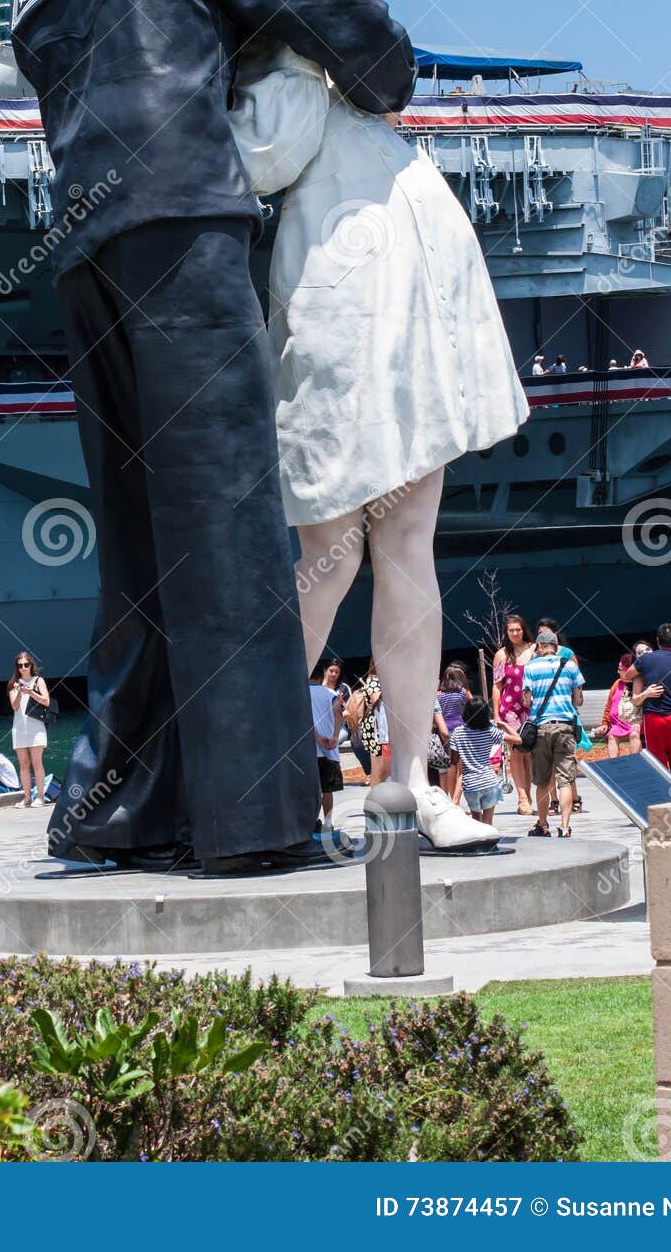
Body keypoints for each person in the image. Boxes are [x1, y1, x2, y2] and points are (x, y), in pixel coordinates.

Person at [12, 0, 416, 875]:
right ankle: (259, 824)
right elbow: (339, 17)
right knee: (229, 523)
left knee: (140, 541)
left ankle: (121, 808)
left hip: (81, 243)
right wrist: (378, 71)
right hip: (183, 221)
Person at [228, 46, 527, 853]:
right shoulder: (310, 76)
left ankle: (402, 777)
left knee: (376, 553)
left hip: (398, 315)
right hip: (369, 312)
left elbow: (261, 156)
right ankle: (262, 759)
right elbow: (256, 161)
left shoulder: (326, 86)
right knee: (347, 553)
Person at [523, 628, 585, 839]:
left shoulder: (531, 667)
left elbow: (527, 701)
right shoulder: (570, 665)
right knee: (565, 780)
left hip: (541, 727)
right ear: (556, 647)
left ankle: (543, 825)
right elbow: (578, 700)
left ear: (539, 646)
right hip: (565, 726)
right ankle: (565, 827)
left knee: (542, 781)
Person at [622, 620, 671, 786]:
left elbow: (627, 675)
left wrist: (643, 681)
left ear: (657, 640)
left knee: (658, 765)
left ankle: (662, 806)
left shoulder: (646, 660)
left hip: (653, 718)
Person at [492, 613, 535, 812]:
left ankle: (527, 792)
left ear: (523, 629)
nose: (515, 633)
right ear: (506, 632)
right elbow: (497, 686)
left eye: (518, 629)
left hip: (530, 707)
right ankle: (522, 798)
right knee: (516, 753)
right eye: (511, 630)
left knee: (528, 753)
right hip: (509, 708)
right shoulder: (502, 654)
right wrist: (497, 714)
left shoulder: (533, 649)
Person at [451, 697, 507, 825]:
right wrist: (504, 725)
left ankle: (479, 844)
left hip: (470, 784)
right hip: (489, 780)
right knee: (488, 822)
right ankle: (490, 844)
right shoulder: (490, 731)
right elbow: (518, 739)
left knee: (476, 821)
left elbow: (454, 761)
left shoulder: (457, 733)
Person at [8, 650, 51, 808]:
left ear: (31, 665)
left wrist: (31, 692)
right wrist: (19, 692)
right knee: (24, 764)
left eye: (26, 665)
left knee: (37, 762)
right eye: (20, 666)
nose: (23, 668)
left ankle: (40, 797)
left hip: (36, 727)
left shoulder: (38, 681)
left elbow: (46, 701)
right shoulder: (13, 684)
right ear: (17, 667)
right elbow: (14, 706)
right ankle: (27, 798)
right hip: (19, 728)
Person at [309, 663, 344, 832]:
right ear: (320, 677)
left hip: (310, 749)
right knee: (327, 789)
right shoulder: (331, 693)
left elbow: (305, 719)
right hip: (330, 750)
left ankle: (313, 822)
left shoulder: (302, 694)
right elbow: (339, 715)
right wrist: (335, 737)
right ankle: (328, 823)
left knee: (311, 789)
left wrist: (317, 737)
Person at [592, 655, 642, 756]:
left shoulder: (640, 683)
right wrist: (605, 724)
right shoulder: (617, 683)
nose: (618, 672)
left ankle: (635, 763)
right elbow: (608, 706)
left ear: (629, 671)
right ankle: (614, 765)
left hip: (634, 723)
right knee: (611, 736)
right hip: (617, 724)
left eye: (620, 669)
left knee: (634, 735)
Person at [435, 662, 471, 805]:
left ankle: (449, 798)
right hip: (461, 731)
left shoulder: (439, 696)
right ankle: (457, 800)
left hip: (444, 731)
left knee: (449, 765)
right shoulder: (462, 693)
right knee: (461, 768)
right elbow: (474, 704)